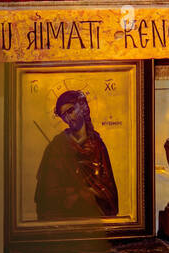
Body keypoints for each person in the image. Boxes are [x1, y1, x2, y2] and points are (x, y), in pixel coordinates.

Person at [34, 90, 119, 220]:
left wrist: (91, 193)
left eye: (71, 110)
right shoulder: (57, 147)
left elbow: (109, 194)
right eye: (63, 115)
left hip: (94, 222)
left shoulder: (98, 146)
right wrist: (75, 193)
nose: (68, 118)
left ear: (83, 106)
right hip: (64, 222)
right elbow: (46, 193)